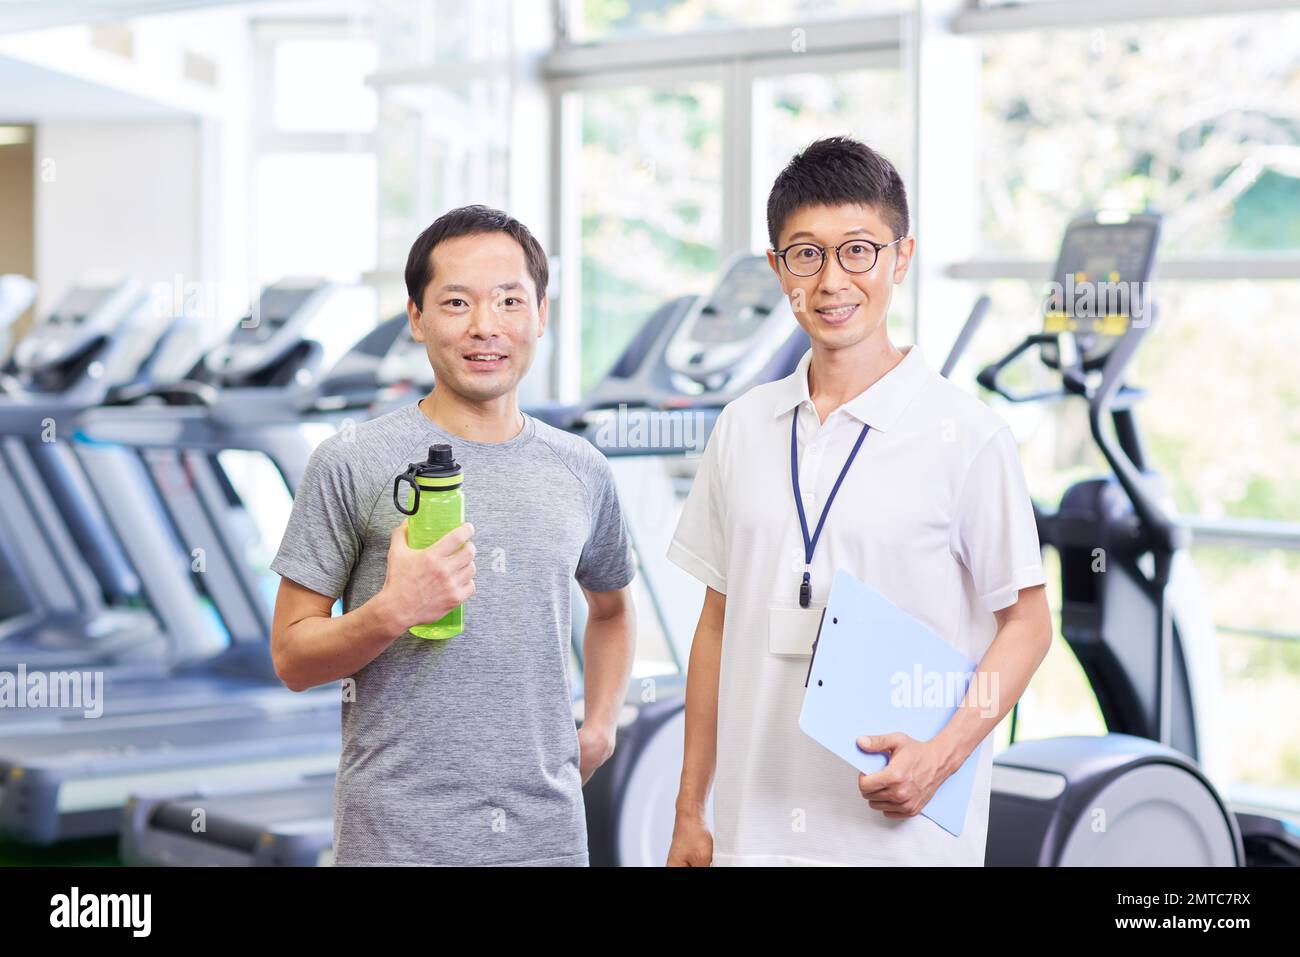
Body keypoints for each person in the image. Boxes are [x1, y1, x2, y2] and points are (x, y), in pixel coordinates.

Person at [665, 137, 1052, 866]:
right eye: (805, 254)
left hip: (899, 841)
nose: (832, 280)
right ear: (779, 269)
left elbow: (1029, 624)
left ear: (900, 258)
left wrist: (942, 753)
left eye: (859, 251)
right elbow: (715, 627)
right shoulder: (743, 425)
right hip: (754, 838)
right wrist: (692, 810)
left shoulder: (966, 434)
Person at [270, 205, 637, 866]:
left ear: (542, 313)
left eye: (508, 300)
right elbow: (293, 657)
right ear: (415, 317)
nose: (484, 326)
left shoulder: (581, 469)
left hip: (545, 836)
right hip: (395, 840)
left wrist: (602, 724)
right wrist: (390, 612)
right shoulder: (350, 460)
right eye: (457, 302)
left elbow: (611, 608)